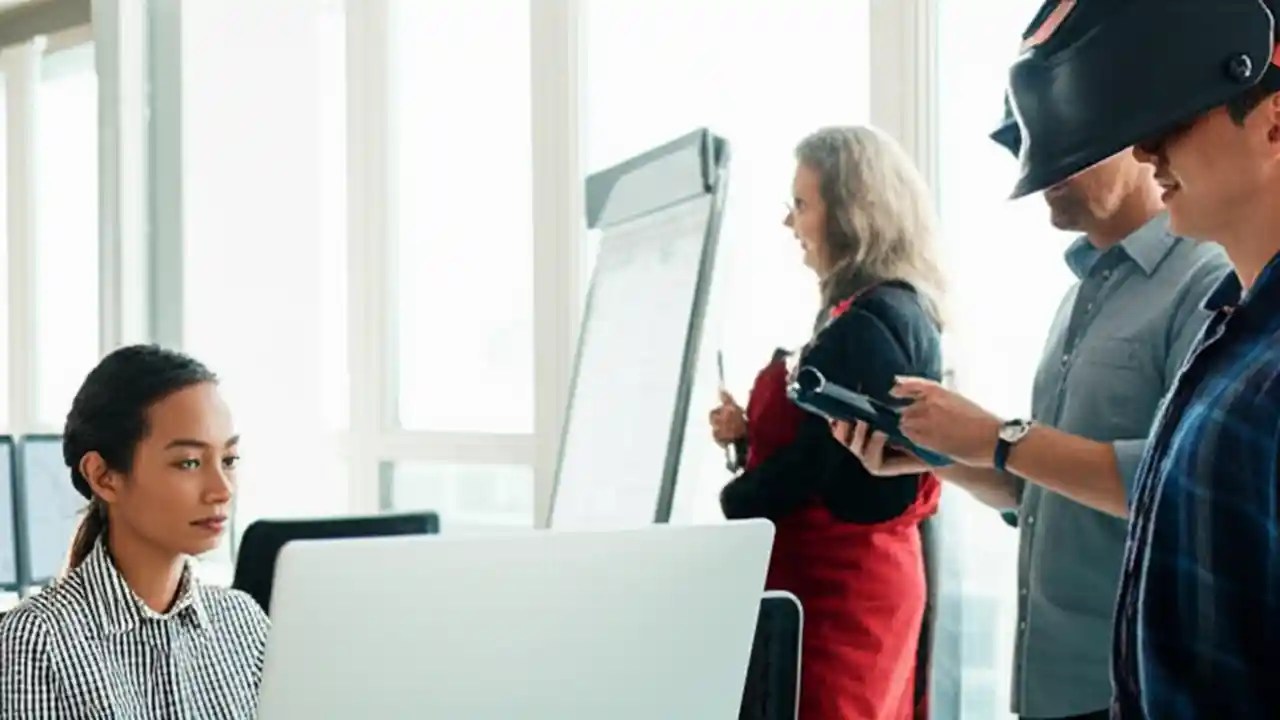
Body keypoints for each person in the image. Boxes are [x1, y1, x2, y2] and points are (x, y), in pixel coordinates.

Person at [874, 0, 1280, 716]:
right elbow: (1132, 496)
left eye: (1172, 117)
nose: (1153, 148)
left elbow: (1146, 490)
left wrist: (1000, 438)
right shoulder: (1217, 326)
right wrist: (951, 456)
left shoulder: (1218, 312)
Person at [709, 125, 945, 720]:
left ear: (851, 214)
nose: (790, 223)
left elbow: (826, 473)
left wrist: (733, 498)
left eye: (801, 204)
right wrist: (749, 437)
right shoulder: (884, 308)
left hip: (839, 596)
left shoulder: (867, 325)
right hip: (849, 586)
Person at [0, 345, 268, 718]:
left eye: (228, 460)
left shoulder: (245, 624)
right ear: (103, 476)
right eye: (188, 462)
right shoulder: (37, 639)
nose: (222, 489)